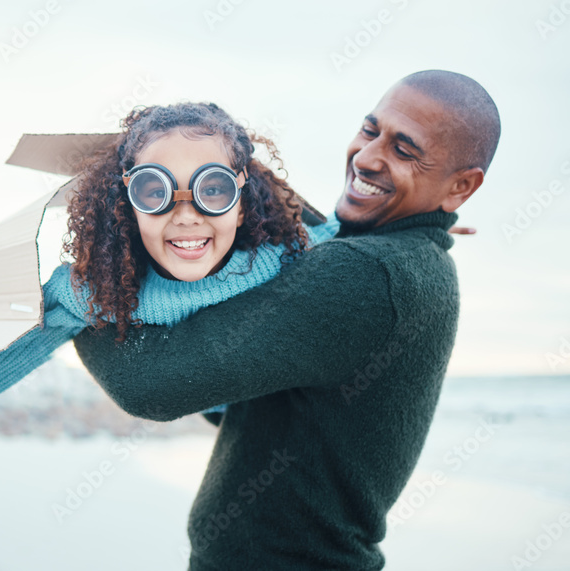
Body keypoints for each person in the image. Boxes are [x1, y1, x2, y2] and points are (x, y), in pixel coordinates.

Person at [71, 70, 501, 570]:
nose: (366, 157)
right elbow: (232, 402)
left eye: (405, 151)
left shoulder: (370, 273)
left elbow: (150, 384)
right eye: (369, 130)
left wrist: (63, 301)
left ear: (462, 187)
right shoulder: (405, 262)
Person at [0, 101, 341, 492]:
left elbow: (347, 238)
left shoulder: (287, 255)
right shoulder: (93, 291)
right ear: (125, 202)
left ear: (243, 199)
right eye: (154, 190)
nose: (186, 213)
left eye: (212, 188)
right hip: (217, 408)